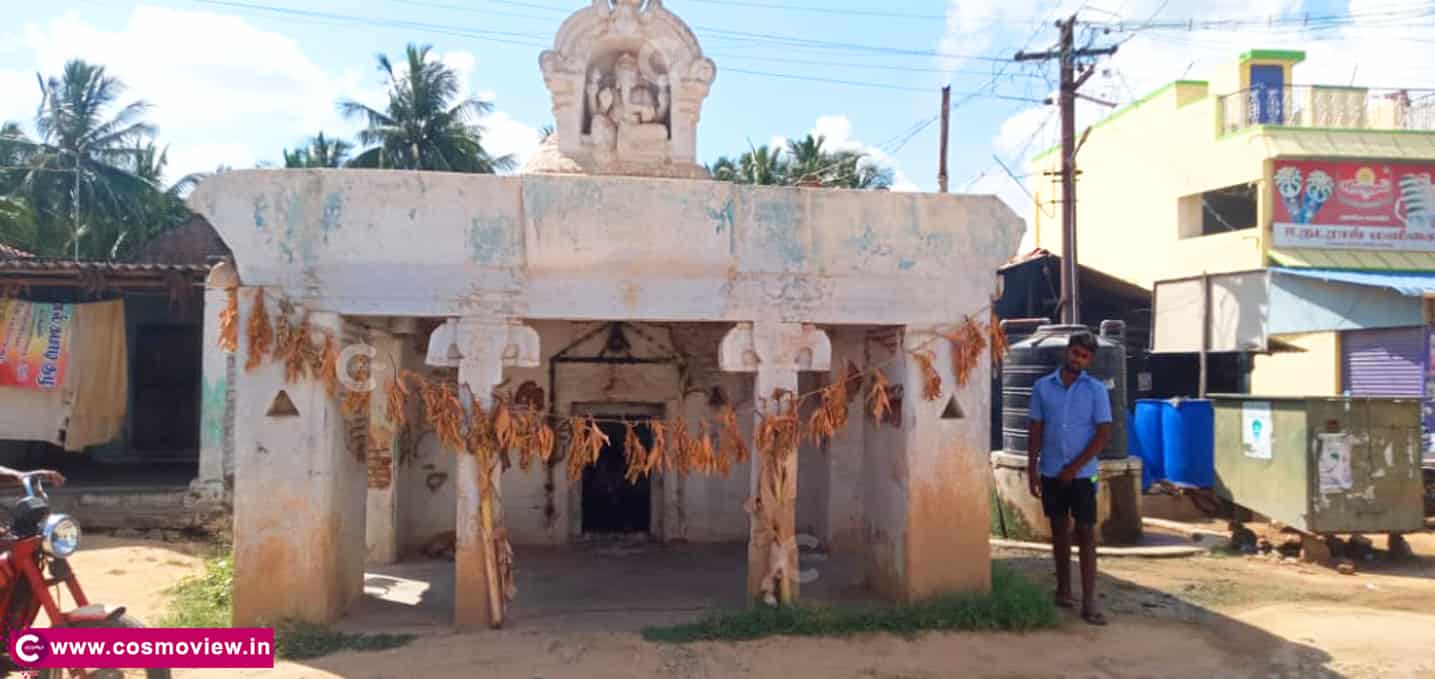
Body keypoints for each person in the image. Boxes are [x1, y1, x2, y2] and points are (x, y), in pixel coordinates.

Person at [1027, 332, 1112, 626]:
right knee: (1059, 531)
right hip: (1050, 471)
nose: (1078, 359)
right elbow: (1035, 429)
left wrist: (1074, 468)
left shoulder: (1096, 390)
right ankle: (1063, 590)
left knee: (1086, 533)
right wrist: (1031, 468)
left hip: (1082, 475)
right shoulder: (1042, 388)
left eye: (1084, 356)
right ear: (1068, 352)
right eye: (1075, 353)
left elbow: (1103, 435)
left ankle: (1089, 601)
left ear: (1091, 360)